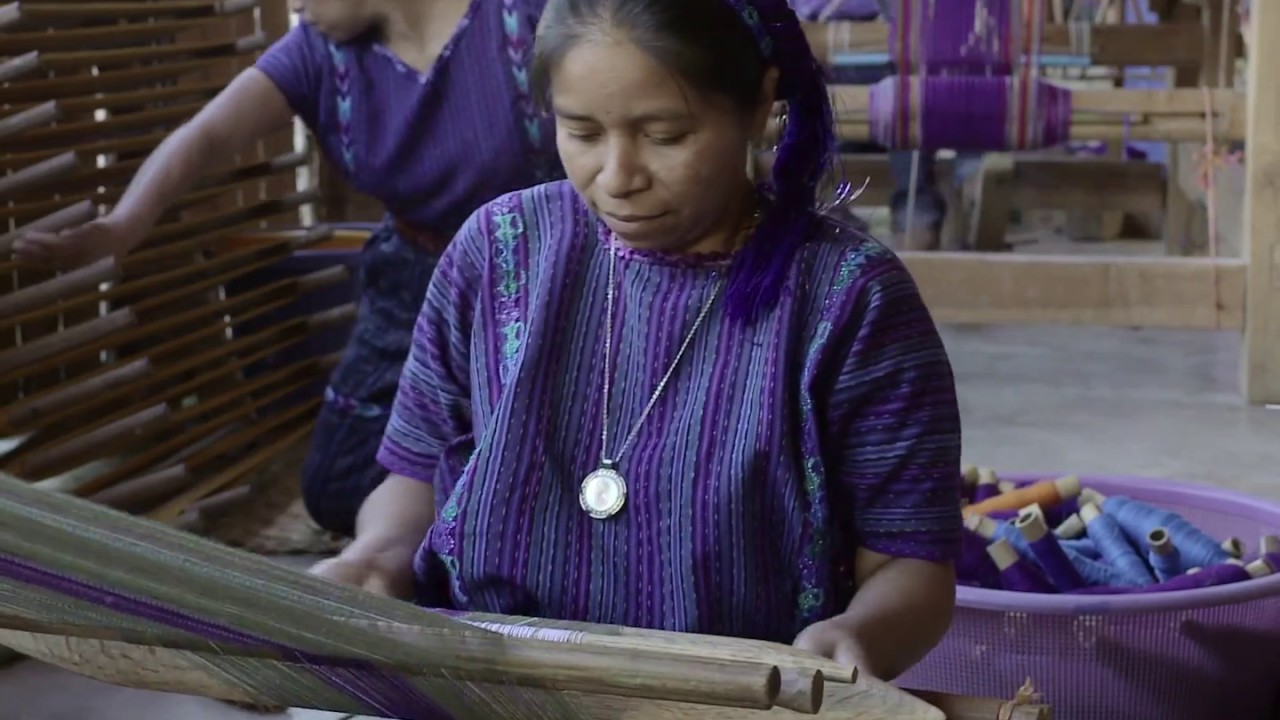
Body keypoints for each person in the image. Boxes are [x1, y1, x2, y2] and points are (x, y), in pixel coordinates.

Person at [313, 0, 963, 678]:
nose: (618, 176)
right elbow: (416, 472)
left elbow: (909, 563)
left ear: (760, 104)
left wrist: (855, 639)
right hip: (486, 685)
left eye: (665, 135)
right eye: (582, 131)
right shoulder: (499, 251)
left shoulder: (850, 299)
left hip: (730, 699)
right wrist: (373, 561)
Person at [12, 0, 562, 536]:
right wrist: (121, 228)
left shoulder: (527, 18)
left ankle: (511, 501)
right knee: (336, 486)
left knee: (552, 434)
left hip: (546, 267)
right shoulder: (317, 52)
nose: (293, 5)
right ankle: (490, 490)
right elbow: (207, 136)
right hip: (413, 280)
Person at [792, 0, 983, 251]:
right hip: (846, 54)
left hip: (866, 56)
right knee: (906, 95)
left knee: (907, 93)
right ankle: (915, 218)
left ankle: (910, 216)